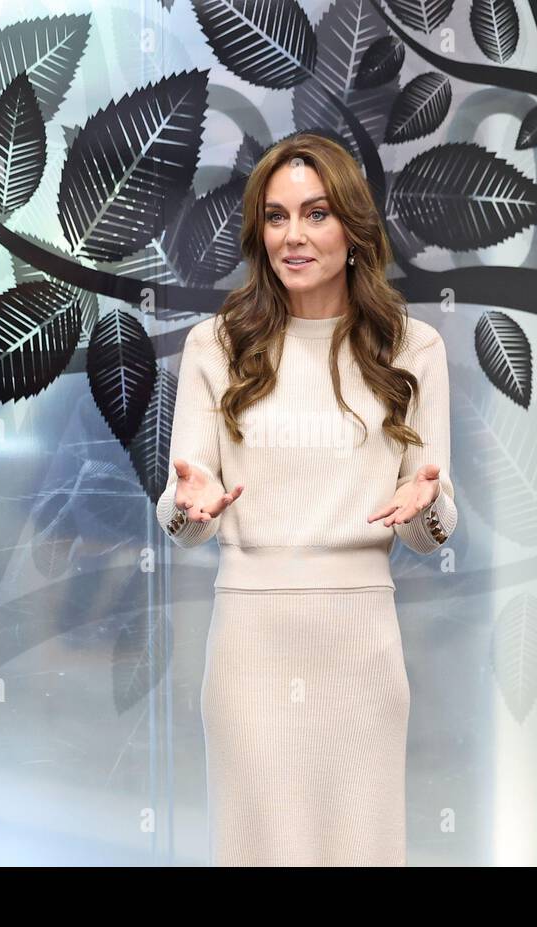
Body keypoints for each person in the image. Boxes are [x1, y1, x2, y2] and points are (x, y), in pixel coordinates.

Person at [157, 133, 457, 866]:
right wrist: (184, 509)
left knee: (361, 847)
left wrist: (424, 506)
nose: (294, 235)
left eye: (317, 214)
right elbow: (182, 522)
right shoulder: (214, 345)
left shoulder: (411, 348)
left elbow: (433, 533)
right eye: (276, 216)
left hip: (362, 645)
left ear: (353, 230)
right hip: (249, 644)